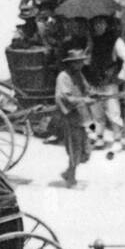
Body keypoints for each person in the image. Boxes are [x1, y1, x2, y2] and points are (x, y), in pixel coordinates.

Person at [86, 16, 125, 157]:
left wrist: (122, 76)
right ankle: (99, 138)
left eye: (101, 23)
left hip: (108, 80)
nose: (98, 26)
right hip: (94, 79)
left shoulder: (115, 40)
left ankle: (117, 140)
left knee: (113, 112)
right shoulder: (92, 40)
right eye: (95, 23)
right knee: (96, 112)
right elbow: (88, 58)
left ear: (106, 24)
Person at [54, 46, 94, 187]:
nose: (80, 64)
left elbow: (87, 89)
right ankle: (71, 178)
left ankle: (68, 172)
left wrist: (93, 95)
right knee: (74, 148)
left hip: (82, 116)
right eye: (77, 62)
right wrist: (84, 100)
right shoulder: (63, 77)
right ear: (71, 63)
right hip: (70, 116)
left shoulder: (79, 74)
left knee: (85, 150)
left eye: (81, 61)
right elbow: (67, 98)